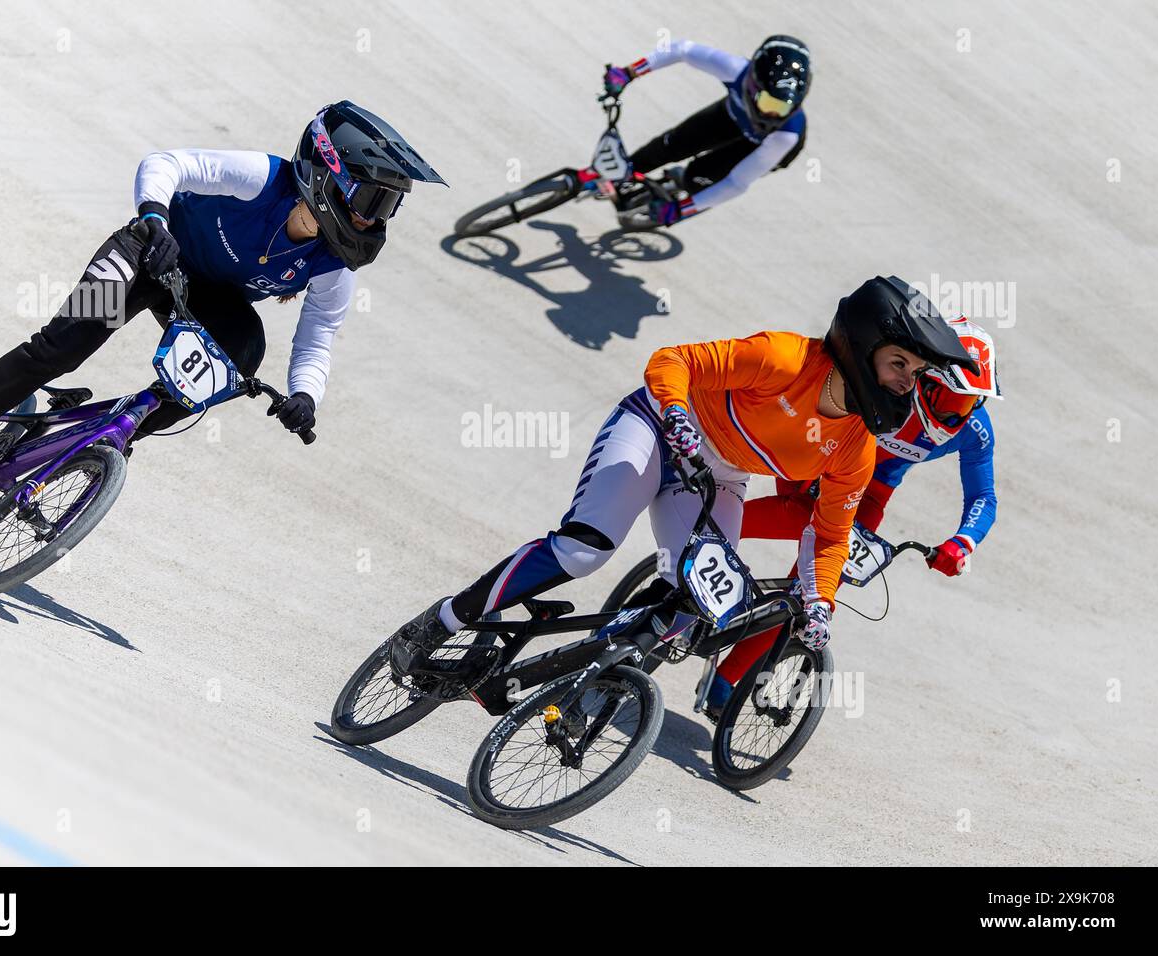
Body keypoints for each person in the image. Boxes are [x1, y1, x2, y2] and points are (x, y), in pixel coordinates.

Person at [388, 276, 978, 678]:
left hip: (719, 478)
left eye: (916, 370)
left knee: (699, 600)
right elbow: (672, 362)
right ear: (862, 346)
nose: (907, 380)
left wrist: (819, 603)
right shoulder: (783, 358)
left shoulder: (857, 448)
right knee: (585, 550)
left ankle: (584, 675)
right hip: (658, 429)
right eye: (899, 363)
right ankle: (441, 621)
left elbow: (829, 534)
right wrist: (674, 412)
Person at [0, 101, 445, 485]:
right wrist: (154, 220)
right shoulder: (261, 178)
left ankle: (110, 440)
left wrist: (306, 396)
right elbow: (167, 164)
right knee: (57, 349)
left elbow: (318, 336)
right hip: (147, 254)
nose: (377, 220)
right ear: (329, 178)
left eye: (387, 206)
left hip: (202, 295)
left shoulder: (333, 266)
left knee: (242, 354)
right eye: (373, 200)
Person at [703, 316, 1003, 718]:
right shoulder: (891, 387)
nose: (956, 416)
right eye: (951, 400)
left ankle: (725, 679)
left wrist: (963, 542)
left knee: (812, 595)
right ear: (926, 380)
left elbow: (984, 496)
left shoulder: (974, 429)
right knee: (793, 517)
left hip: (870, 493)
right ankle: (700, 547)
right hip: (819, 461)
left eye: (969, 403)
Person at [600, 35, 810, 226]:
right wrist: (629, 72)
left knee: (698, 178)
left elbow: (736, 183)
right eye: (768, 104)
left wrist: (680, 211)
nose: (775, 116)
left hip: (762, 146)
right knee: (668, 146)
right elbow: (681, 50)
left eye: (784, 108)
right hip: (733, 116)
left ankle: (685, 187)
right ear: (753, 85)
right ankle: (618, 176)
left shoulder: (786, 135)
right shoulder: (735, 69)